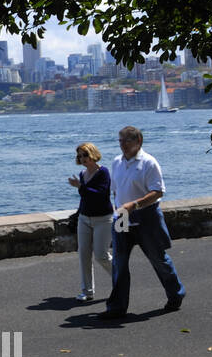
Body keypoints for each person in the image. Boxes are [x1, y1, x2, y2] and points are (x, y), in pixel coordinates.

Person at [96, 126, 187, 320]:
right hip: (122, 218)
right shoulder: (116, 162)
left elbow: (158, 192)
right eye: (120, 141)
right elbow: (116, 190)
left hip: (147, 217)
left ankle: (176, 294)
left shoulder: (149, 163)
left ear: (139, 141)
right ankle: (117, 307)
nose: (123, 145)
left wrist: (134, 204)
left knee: (158, 259)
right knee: (119, 263)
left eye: (127, 141)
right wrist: (118, 207)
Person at [67, 142, 113, 302]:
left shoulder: (103, 172)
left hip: (103, 219)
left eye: (85, 154)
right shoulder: (82, 174)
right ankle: (87, 291)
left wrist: (80, 187)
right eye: (80, 156)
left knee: (101, 255)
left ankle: (120, 279)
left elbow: (99, 194)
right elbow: (85, 198)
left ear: (92, 153)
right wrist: (78, 214)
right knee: (84, 255)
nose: (83, 158)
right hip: (84, 218)